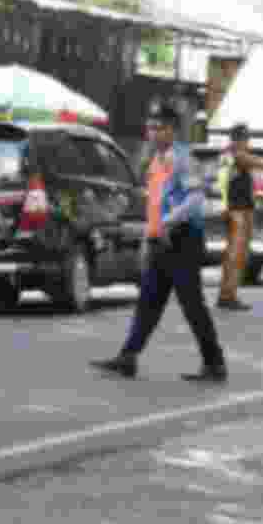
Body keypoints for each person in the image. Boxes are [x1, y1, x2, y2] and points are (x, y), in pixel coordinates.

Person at [91, 104, 227, 383]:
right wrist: (148, 236)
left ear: (173, 130)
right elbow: (155, 203)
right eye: (150, 128)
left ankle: (214, 363)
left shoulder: (183, 159)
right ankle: (128, 357)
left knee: (192, 305)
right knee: (148, 302)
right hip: (160, 240)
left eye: (159, 128)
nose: (153, 133)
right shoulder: (156, 161)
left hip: (183, 238)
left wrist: (168, 221)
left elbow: (195, 199)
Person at [214, 124, 263, 312]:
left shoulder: (227, 155)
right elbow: (254, 161)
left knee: (234, 253)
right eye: (246, 139)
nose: (247, 143)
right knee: (236, 254)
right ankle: (228, 295)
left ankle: (227, 293)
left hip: (235, 208)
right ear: (241, 140)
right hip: (238, 210)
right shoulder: (236, 154)